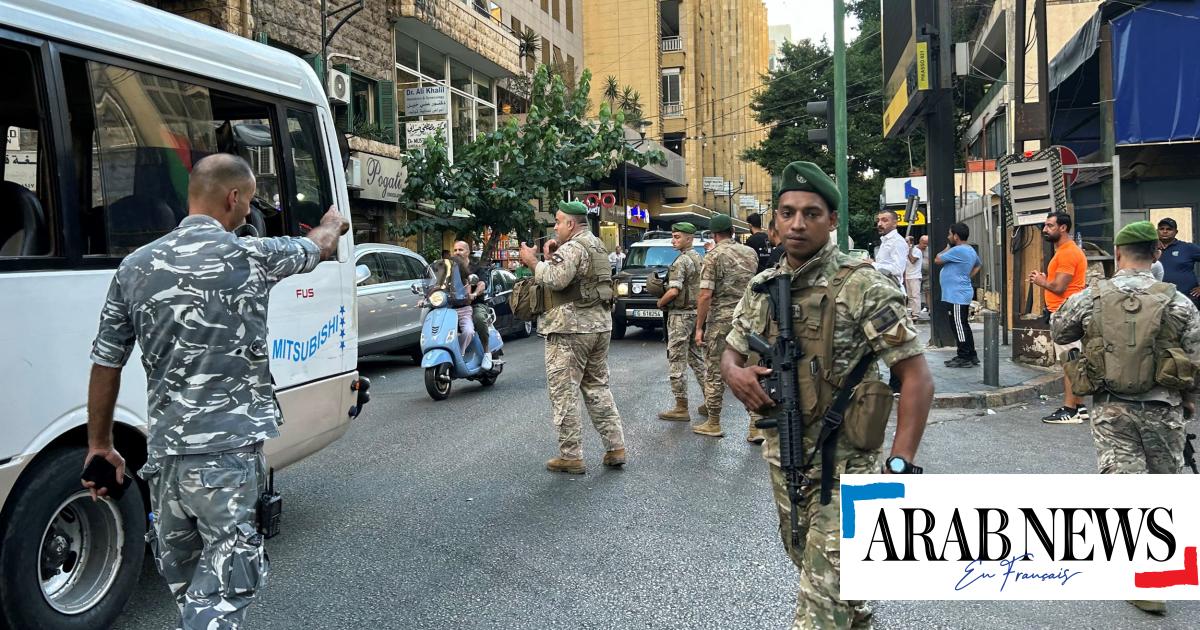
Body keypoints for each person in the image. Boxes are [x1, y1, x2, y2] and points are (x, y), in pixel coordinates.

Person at [84, 154, 347, 629]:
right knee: (224, 592)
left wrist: (100, 446)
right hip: (227, 459)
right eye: (247, 204)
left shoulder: (133, 268)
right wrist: (330, 222)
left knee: (190, 588)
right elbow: (320, 246)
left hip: (164, 461)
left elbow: (106, 361)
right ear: (233, 197)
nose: (248, 214)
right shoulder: (251, 256)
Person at [722, 161, 932, 629]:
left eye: (811, 213)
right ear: (775, 219)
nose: (797, 223)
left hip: (850, 470)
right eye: (788, 212)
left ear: (832, 220)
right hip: (788, 460)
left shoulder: (863, 284)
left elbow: (916, 376)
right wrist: (736, 377)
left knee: (819, 606)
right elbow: (730, 352)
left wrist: (899, 467)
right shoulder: (763, 287)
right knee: (824, 579)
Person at [1051, 220, 1199, 617]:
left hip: (1112, 407)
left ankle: (1141, 579)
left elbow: (1060, 331)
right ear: (1156, 254)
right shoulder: (1178, 301)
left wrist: (1087, 353)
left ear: (1117, 253)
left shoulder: (1092, 296)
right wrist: (1190, 403)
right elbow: (1197, 356)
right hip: (1164, 407)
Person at [517, 201, 626, 473]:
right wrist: (551, 255)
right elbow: (577, 275)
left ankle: (571, 455)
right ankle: (616, 448)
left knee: (564, 391)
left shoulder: (573, 247)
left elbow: (555, 280)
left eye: (558, 221)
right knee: (597, 387)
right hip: (599, 325)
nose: (555, 227)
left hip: (571, 328)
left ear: (571, 224)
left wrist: (532, 261)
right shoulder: (597, 245)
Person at [692, 213, 758, 439]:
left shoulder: (713, 256)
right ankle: (755, 426)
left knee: (715, 371)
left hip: (721, 321)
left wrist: (699, 327)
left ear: (714, 234)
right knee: (747, 370)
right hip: (747, 320)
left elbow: (705, 295)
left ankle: (713, 422)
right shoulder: (750, 253)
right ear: (732, 231)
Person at [1028, 212, 1089, 424]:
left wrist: (1040, 280)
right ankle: (1080, 407)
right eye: (1045, 225)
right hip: (1066, 312)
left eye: (1049, 226)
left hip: (1066, 313)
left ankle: (1069, 409)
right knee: (1074, 361)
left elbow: (1060, 286)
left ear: (1063, 228)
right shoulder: (1065, 251)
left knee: (1069, 362)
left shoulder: (1068, 253)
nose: (1045, 229)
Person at [656, 222, 708, 421]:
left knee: (676, 360)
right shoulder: (699, 258)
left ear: (689, 238)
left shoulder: (682, 261)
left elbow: (674, 290)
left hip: (680, 315)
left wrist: (660, 302)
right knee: (697, 360)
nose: (673, 240)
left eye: (677, 236)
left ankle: (681, 406)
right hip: (695, 313)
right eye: (673, 236)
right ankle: (710, 401)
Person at [934, 223, 982, 367]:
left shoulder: (958, 250)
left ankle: (964, 356)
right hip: (958, 293)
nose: (948, 237)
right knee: (962, 325)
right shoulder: (969, 250)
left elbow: (937, 259)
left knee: (958, 326)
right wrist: (967, 276)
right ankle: (971, 354)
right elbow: (978, 265)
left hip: (956, 295)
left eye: (950, 234)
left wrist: (948, 246)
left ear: (955, 236)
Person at [455, 240, 493, 370]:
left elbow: (482, 284)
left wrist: (475, 293)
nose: (457, 252)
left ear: (468, 252)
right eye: (455, 250)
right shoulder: (451, 269)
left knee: (479, 319)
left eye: (460, 250)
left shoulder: (476, 268)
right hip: (455, 306)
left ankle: (487, 352)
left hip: (476, 304)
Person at [1156, 217, 1200, 307]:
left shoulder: (1188, 248)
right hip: (1158, 300)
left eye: (1169, 229)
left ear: (1176, 232)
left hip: (1187, 299)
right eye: (1161, 229)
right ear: (1157, 231)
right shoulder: (1150, 249)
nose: (1165, 231)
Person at [867, 209, 907, 294]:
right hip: (886, 290)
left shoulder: (897, 241)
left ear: (895, 224)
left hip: (893, 292)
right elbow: (886, 263)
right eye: (878, 221)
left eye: (884, 220)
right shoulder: (886, 240)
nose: (879, 224)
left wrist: (873, 265)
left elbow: (897, 269)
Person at [904, 234, 924, 317]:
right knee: (910, 296)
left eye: (907, 242)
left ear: (911, 243)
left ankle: (916, 313)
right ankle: (912, 312)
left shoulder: (917, 251)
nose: (905, 243)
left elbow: (912, 260)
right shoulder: (905, 251)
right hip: (907, 276)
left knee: (915, 295)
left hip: (915, 276)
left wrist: (909, 250)